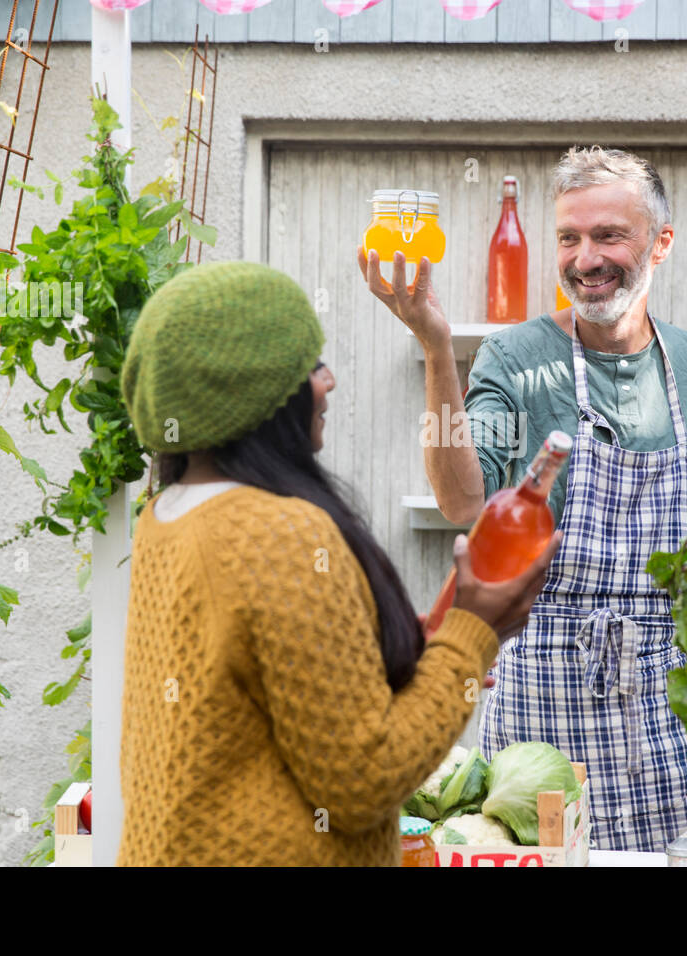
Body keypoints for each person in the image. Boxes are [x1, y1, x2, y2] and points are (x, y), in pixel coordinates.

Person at [360, 146, 687, 852]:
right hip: (546, 690)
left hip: (669, 695)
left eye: (608, 236)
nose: (584, 257)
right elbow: (462, 500)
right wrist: (437, 347)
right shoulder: (515, 358)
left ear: (661, 242)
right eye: (569, 237)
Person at [115, 261, 560, 866]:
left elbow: (277, 704)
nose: (327, 382)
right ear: (255, 392)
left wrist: (412, 660)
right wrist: (471, 636)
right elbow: (362, 781)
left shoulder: (168, 515)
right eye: (310, 366)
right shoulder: (278, 535)